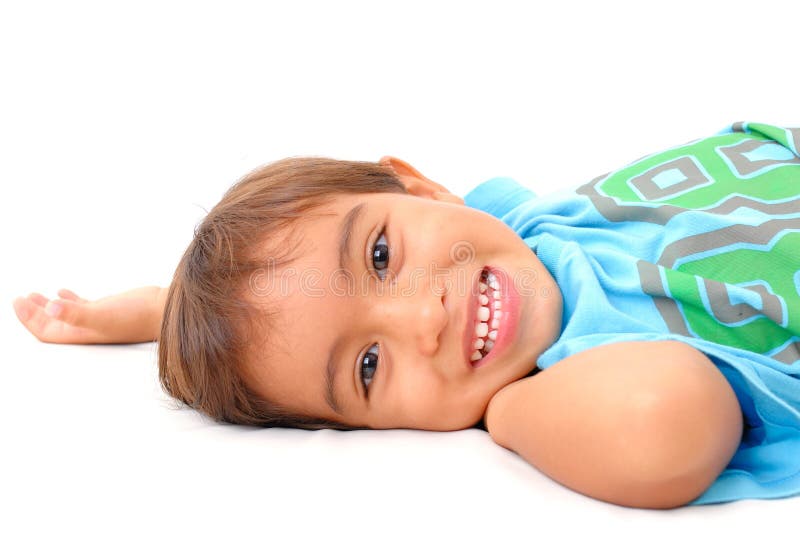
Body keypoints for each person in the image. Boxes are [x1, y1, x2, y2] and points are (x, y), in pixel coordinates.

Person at [12, 122, 800, 510]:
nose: (425, 317)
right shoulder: (585, 372)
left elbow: (297, 306)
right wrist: (503, 407)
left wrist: (162, 308)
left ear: (423, 189)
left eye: (382, 255)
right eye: (367, 366)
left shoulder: (518, 229)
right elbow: (663, 421)